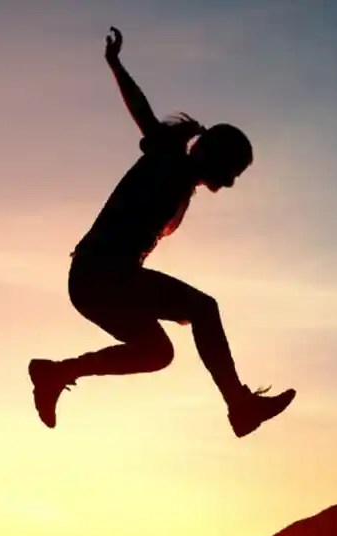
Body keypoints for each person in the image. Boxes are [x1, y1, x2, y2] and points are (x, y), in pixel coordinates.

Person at [28, 26, 295, 438]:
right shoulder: (168, 158)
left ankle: (55, 373)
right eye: (232, 171)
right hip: (100, 273)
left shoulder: (180, 175)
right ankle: (239, 405)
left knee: (157, 353)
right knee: (204, 309)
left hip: (98, 281)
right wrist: (116, 64)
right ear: (213, 155)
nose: (232, 182)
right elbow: (143, 112)